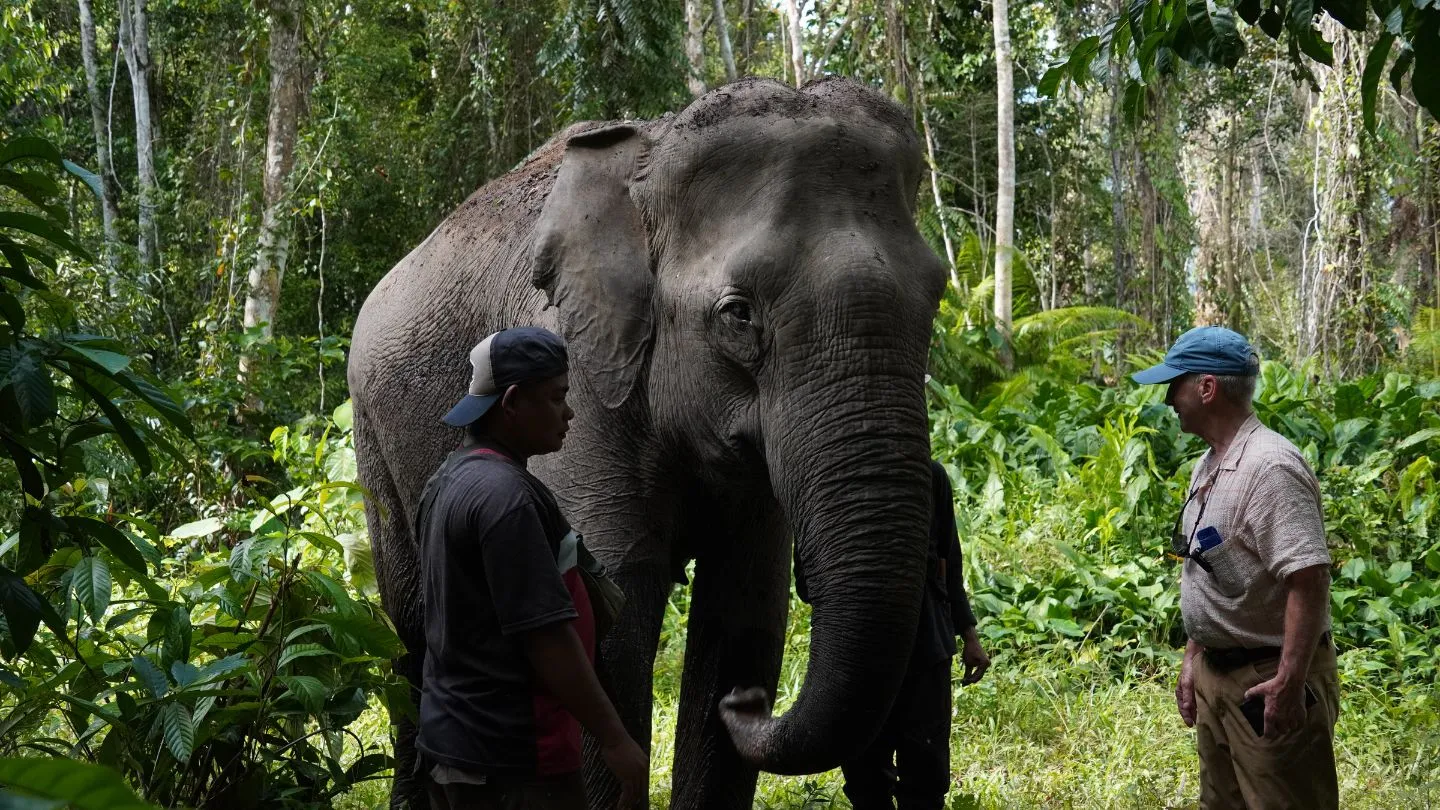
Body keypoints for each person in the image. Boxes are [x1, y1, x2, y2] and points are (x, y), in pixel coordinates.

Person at [414, 326, 648, 810]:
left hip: (456, 747)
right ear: (514, 402)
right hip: (512, 761)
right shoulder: (507, 499)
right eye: (557, 397)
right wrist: (614, 739)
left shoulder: (448, 479)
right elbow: (545, 637)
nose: (569, 412)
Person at [1132, 326, 1337, 810]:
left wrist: (1289, 682)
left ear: (1207, 388)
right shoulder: (1209, 464)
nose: (1168, 398)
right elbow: (1209, 570)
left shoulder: (1270, 468)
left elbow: (1309, 581)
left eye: (1174, 383)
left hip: (1266, 677)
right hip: (1219, 674)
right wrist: (1192, 662)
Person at [837, 459, 990, 810]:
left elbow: (949, 561)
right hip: (862, 646)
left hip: (926, 644)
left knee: (926, 768)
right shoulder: (840, 472)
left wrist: (969, 636)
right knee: (865, 770)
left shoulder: (932, 477)